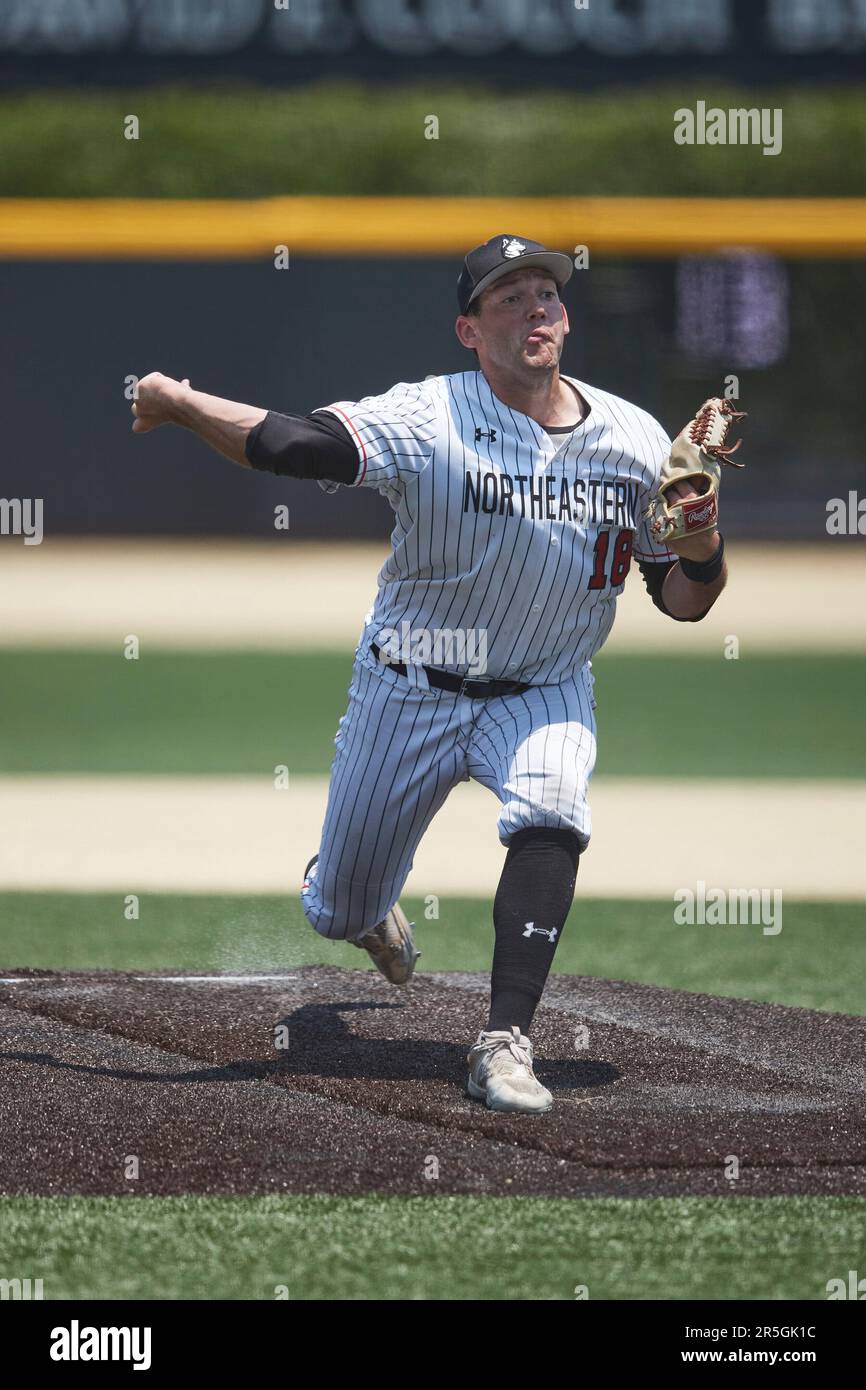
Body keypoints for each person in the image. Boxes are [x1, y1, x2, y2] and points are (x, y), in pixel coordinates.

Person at [132, 234, 728, 1115]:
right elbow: (301, 447)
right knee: (336, 910)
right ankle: (368, 908)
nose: (536, 309)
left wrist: (704, 544)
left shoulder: (634, 440)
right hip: (408, 687)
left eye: (547, 295)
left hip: (543, 685)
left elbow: (683, 603)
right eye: (510, 297)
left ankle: (505, 1042)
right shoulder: (430, 416)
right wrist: (181, 402)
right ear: (468, 329)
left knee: (553, 814)